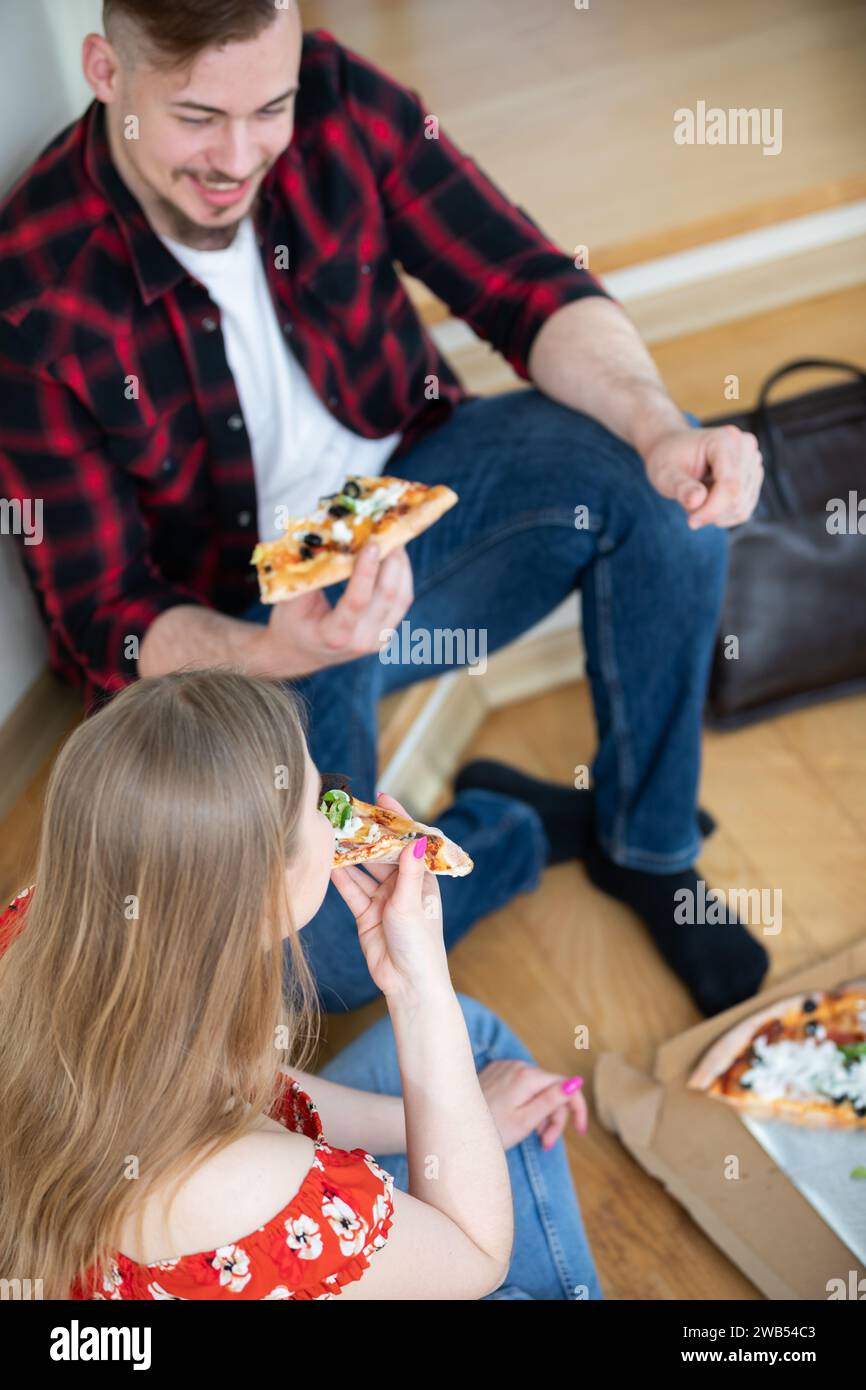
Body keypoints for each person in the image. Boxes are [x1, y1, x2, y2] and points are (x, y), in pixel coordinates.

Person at [0, 0, 768, 1016]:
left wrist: (657, 425)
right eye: (195, 117)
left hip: (420, 514)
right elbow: (107, 620)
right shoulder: (34, 286)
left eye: (265, 108)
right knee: (321, 965)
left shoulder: (339, 97)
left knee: (657, 474)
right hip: (247, 632)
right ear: (105, 71)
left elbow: (526, 286)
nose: (239, 157)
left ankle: (645, 843)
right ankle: (511, 829)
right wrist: (279, 650)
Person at [0, 671, 602, 1301]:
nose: (341, 815)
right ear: (265, 897)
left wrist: (419, 1124)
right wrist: (419, 988)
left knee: (477, 1043)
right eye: (325, 801)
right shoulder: (231, 1184)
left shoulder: (44, 918)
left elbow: (246, 1083)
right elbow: (478, 1260)